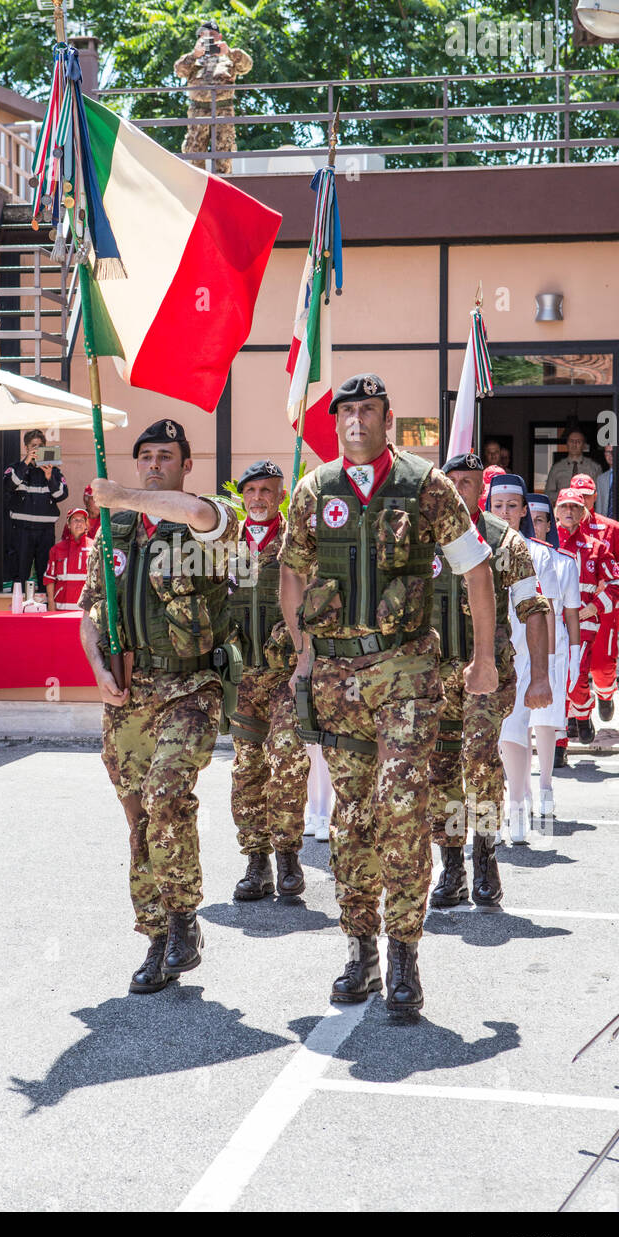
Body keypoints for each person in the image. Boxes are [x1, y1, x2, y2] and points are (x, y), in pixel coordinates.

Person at [279, 374, 498, 1018]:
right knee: (352, 815)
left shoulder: (425, 485)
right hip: (338, 678)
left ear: (388, 418)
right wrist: (302, 652)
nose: (355, 422)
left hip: (407, 670)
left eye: (368, 411)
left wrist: (484, 658)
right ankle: (360, 947)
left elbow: (476, 570)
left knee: (402, 805)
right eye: (346, 412)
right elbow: (292, 573)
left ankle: (404, 951)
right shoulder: (313, 489)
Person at [79, 418, 239, 995]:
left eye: (165, 456)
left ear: (185, 465)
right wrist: (98, 670)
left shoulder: (211, 521)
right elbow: (91, 611)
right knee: (138, 819)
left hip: (191, 686)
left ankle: (183, 917)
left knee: (167, 791)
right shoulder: (115, 530)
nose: (152, 463)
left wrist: (121, 494)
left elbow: (197, 515)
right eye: (144, 455)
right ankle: (155, 934)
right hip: (129, 692)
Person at [428, 454, 550, 905]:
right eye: (453, 481)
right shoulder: (424, 539)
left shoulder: (505, 542)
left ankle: (485, 859)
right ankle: (452, 867)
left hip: (488, 673)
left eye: (469, 483)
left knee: (478, 759)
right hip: (435, 676)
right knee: (439, 769)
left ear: (482, 488)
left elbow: (533, 608)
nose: (460, 489)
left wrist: (540, 678)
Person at [227, 460, 309, 902]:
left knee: (288, 763)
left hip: (285, 675)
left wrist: (304, 656)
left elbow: (315, 602)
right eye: (251, 491)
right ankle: (255, 860)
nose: (258, 498)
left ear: (281, 495)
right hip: (242, 678)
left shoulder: (296, 544)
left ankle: (288, 855)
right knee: (246, 771)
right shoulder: (225, 546)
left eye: (267, 490)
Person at [488, 474, 558, 844]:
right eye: (498, 506)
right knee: (485, 739)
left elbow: (542, 612)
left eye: (512, 506)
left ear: (524, 510)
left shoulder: (539, 553)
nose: (505, 513)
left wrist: (544, 670)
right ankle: (488, 815)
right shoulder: (475, 544)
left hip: (521, 656)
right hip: (482, 656)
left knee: (515, 732)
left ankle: (517, 805)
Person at [553, 487, 619, 744]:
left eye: (575, 507)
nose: (569, 511)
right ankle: (559, 745)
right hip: (552, 625)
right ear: (556, 511)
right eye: (564, 507)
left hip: (584, 625)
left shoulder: (596, 547)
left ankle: (583, 713)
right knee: (557, 682)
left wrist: (595, 606)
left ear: (584, 512)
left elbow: (617, 581)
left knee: (576, 678)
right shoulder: (546, 544)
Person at [525, 493, 581, 799]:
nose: (535, 525)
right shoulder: (508, 554)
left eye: (540, 520)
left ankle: (545, 784)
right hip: (518, 644)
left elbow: (571, 613)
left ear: (549, 524)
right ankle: (521, 790)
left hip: (554, 647)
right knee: (518, 721)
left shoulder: (564, 562)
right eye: (530, 520)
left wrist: (575, 656)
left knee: (545, 721)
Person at [570, 472, 619, 722]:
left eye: (586, 496)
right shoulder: (560, 531)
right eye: (578, 495)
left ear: (595, 497)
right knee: (571, 664)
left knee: (601, 664)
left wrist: (606, 586)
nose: (582, 501)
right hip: (572, 609)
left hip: (605, 608)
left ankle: (606, 695)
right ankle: (575, 717)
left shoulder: (612, 528)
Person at [173, 21, 252, 175]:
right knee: (195, 155)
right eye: (204, 37)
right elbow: (179, 71)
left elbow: (247, 66)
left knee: (224, 155)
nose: (209, 39)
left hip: (223, 111)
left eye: (212, 36)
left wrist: (228, 52)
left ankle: (223, 191)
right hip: (197, 112)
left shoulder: (229, 57)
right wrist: (194, 54)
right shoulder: (193, 58)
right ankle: (197, 193)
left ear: (220, 37)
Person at [3, 430, 68, 590]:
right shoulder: (15, 468)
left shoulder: (54, 471)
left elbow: (61, 495)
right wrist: (25, 463)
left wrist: (49, 476)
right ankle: (18, 608)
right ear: (26, 448)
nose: (37, 449)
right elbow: (8, 485)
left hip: (45, 532)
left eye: (40, 446)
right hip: (21, 531)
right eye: (34, 446)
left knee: (45, 572)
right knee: (19, 573)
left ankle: (44, 607)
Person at [44, 508, 93, 610]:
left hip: (86, 610)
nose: (79, 523)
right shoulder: (56, 549)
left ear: (85, 525)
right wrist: (51, 603)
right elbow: (49, 579)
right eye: (75, 520)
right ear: (69, 525)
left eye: (82, 520)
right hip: (61, 608)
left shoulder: (94, 547)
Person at [545, 424, 602, 498]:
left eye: (578, 441)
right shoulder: (556, 468)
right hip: (563, 506)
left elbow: (600, 494)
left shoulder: (594, 468)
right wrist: (565, 496)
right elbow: (548, 493)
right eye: (571, 441)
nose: (574, 444)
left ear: (584, 445)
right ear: (567, 444)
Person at [595, 446, 614, 519]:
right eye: (607, 452)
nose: (610, 455)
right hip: (606, 523)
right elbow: (599, 506)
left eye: (613, 452)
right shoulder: (601, 478)